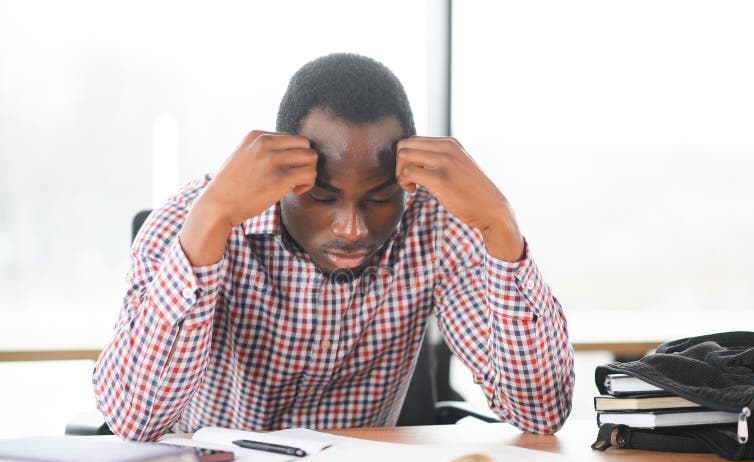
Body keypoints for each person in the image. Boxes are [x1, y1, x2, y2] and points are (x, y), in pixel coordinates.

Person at [93, 53, 574, 441]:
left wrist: (499, 224)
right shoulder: (188, 221)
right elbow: (136, 421)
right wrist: (211, 221)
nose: (350, 229)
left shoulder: (439, 226)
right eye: (322, 197)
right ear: (285, 171)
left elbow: (540, 411)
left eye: (380, 197)